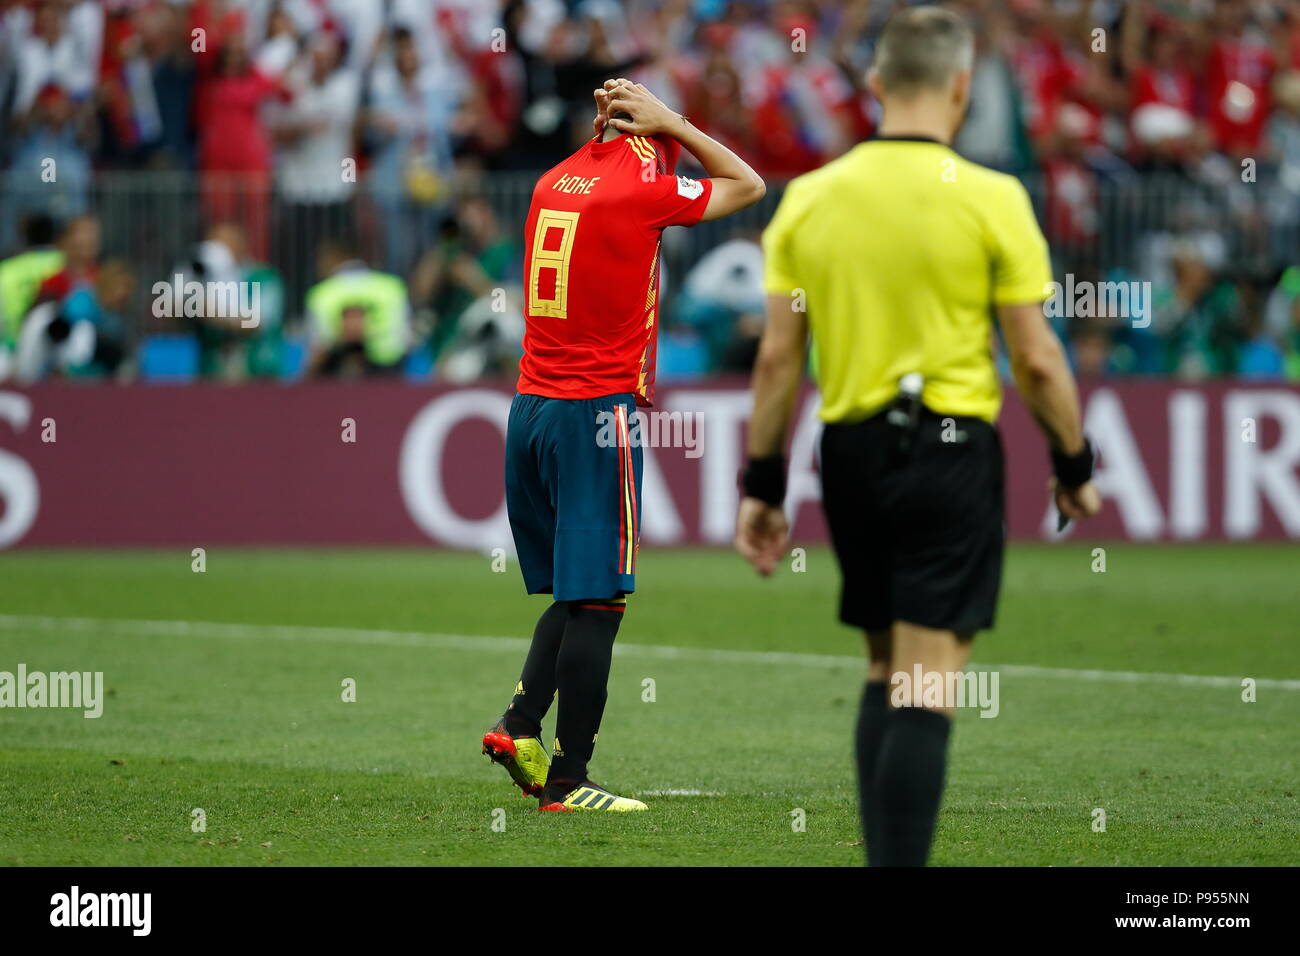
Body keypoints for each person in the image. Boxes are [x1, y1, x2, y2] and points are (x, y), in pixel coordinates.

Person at [734, 7, 1101, 866]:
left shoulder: (808, 202)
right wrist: (1073, 463)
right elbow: (1039, 361)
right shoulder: (991, 197)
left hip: (850, 451)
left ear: (873, 84)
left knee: (883, 667)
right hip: (948, 448)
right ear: (963, 87)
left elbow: (777, 363)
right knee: (928, 681)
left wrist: (762, 487)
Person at [481, 78, 765, 813]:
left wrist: (625, 119)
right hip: (595, 415)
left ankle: (518, 727)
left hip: (530, 408)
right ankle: (570, 781)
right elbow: (748, 184)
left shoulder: (554, 182)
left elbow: (607, 157)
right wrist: (678, 120)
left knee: (578, 591)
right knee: (603, 600)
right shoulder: (644, 192)